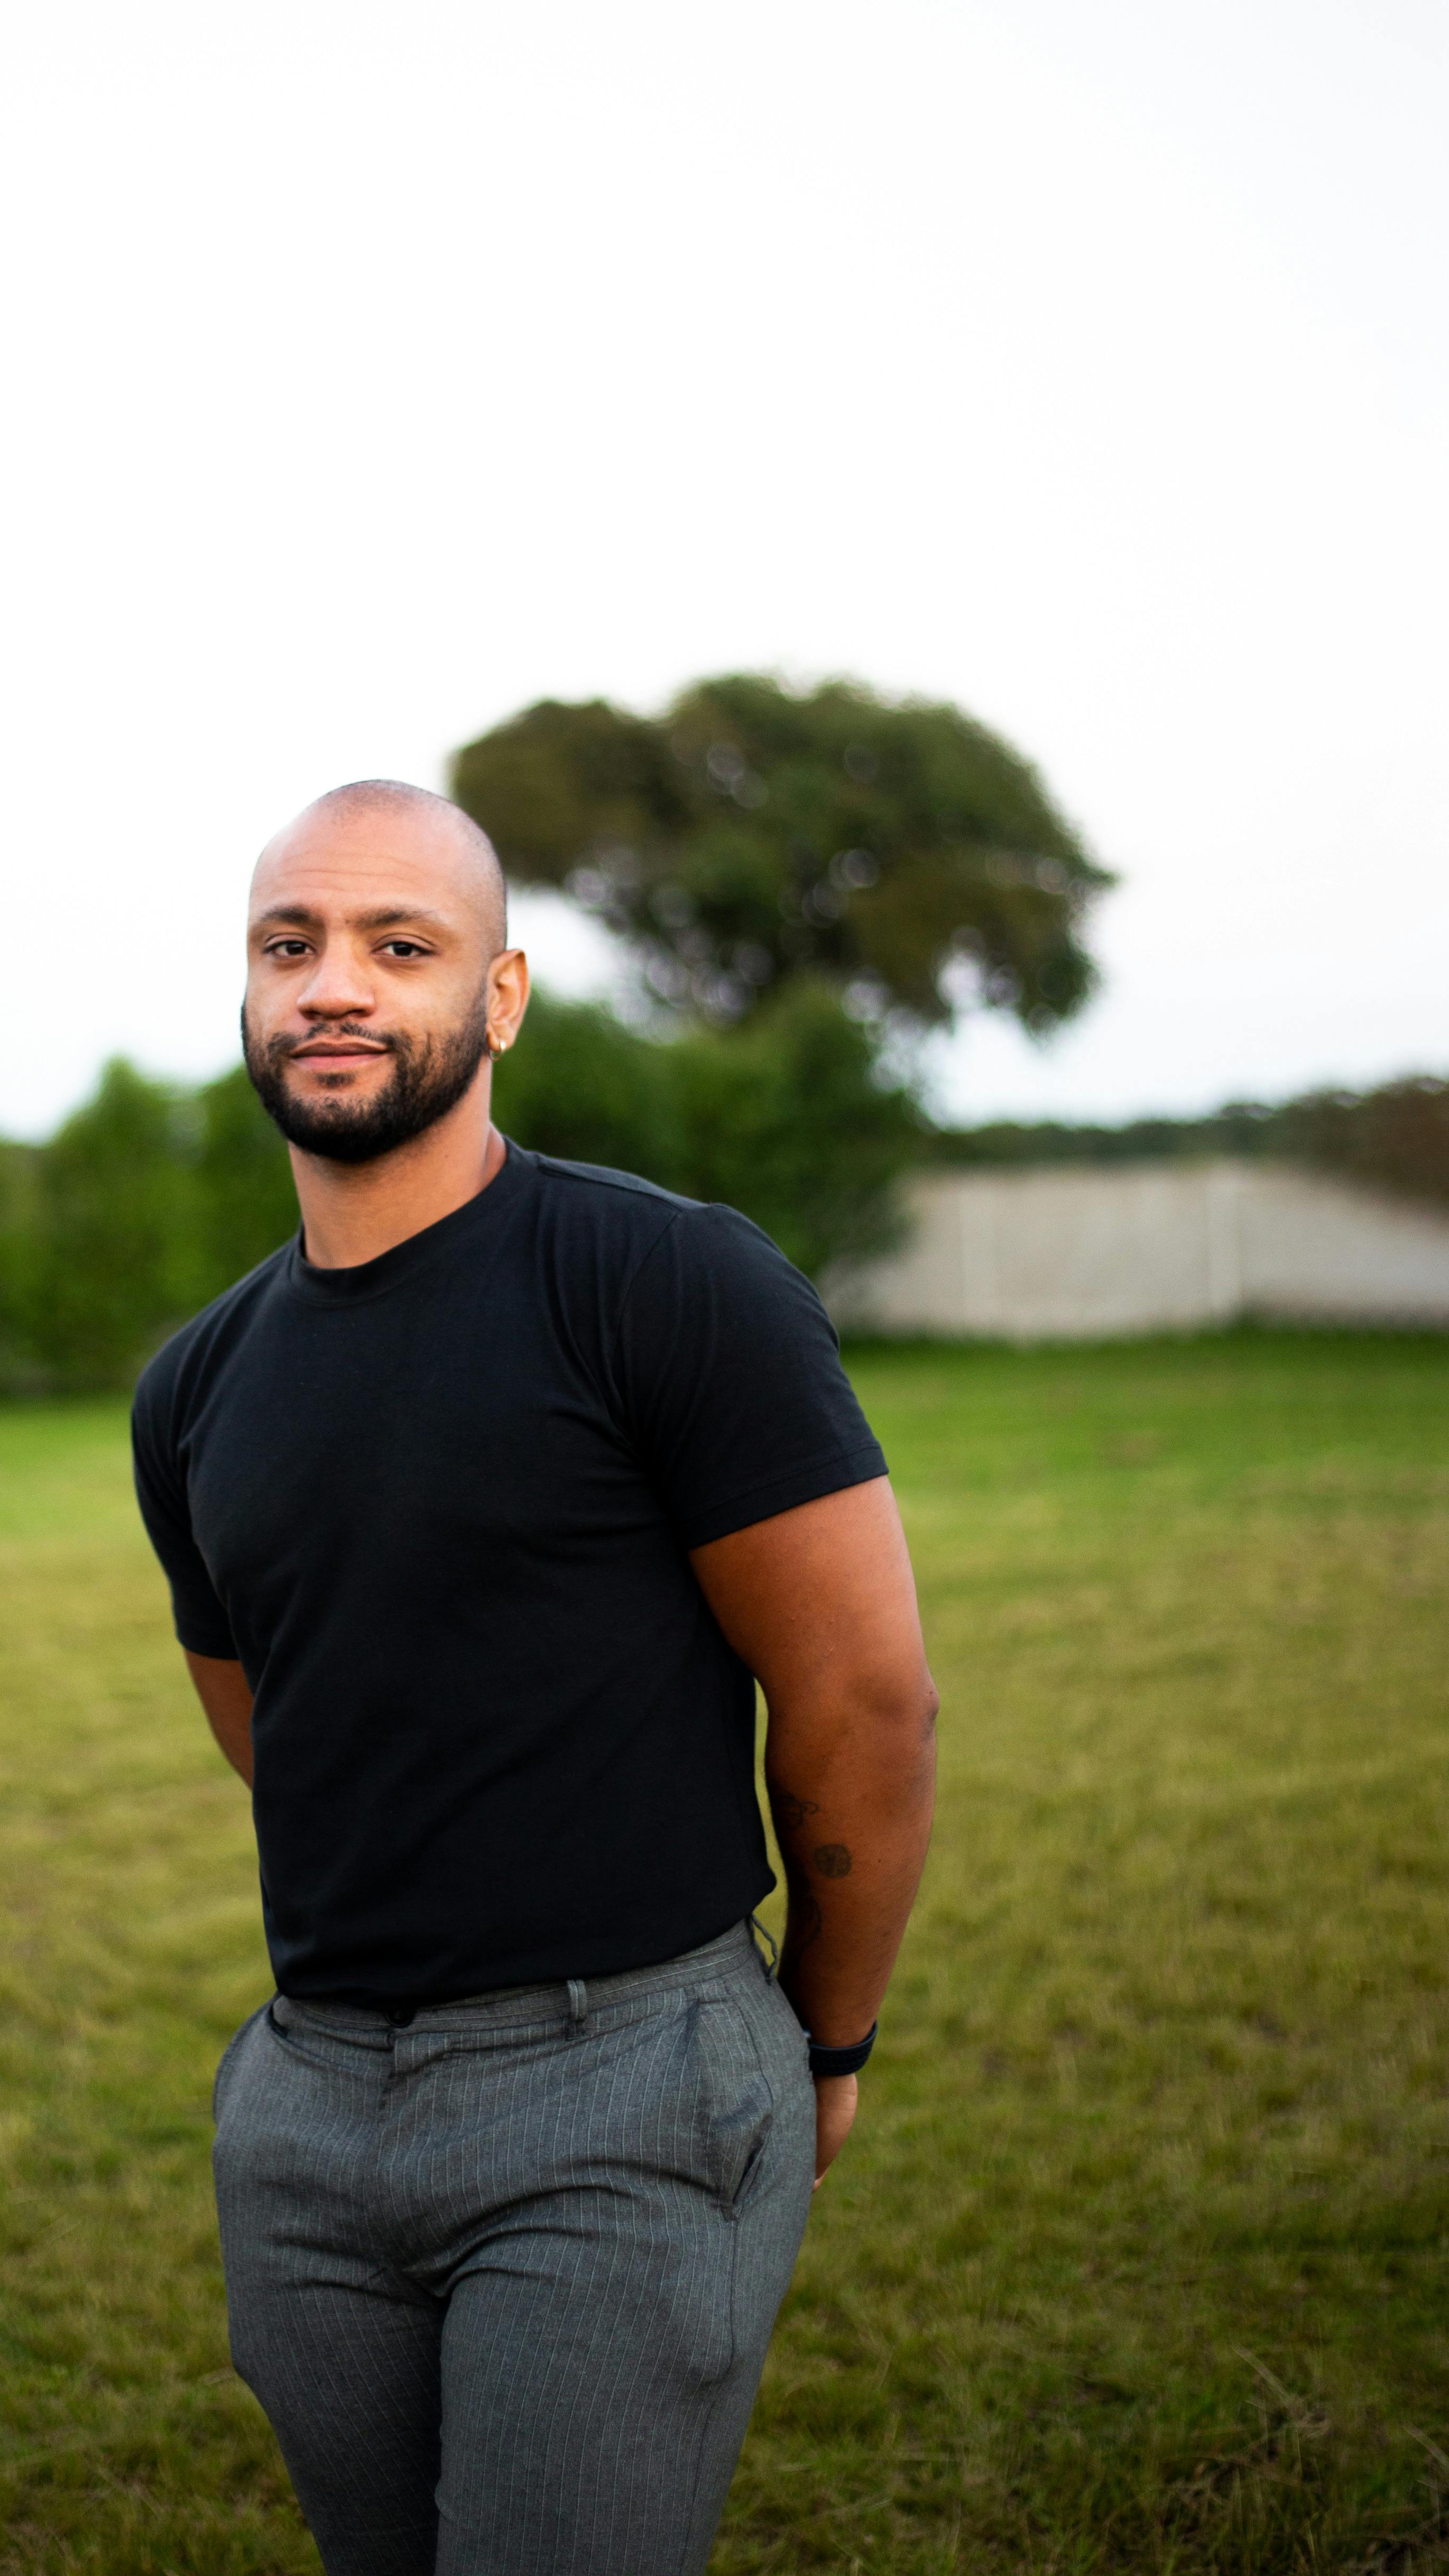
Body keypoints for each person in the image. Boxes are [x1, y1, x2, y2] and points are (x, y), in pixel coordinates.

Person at [132, 780, 938, 2576]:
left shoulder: (663, 1283)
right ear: (247, 995)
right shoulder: (195, 1387)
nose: (331, 985)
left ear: (498, 999)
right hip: (310, 2110)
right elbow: (282, 1725)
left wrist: (825, 2032)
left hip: (624, 2083)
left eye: (395, 947)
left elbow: (863, 1702)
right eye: (290, 946)